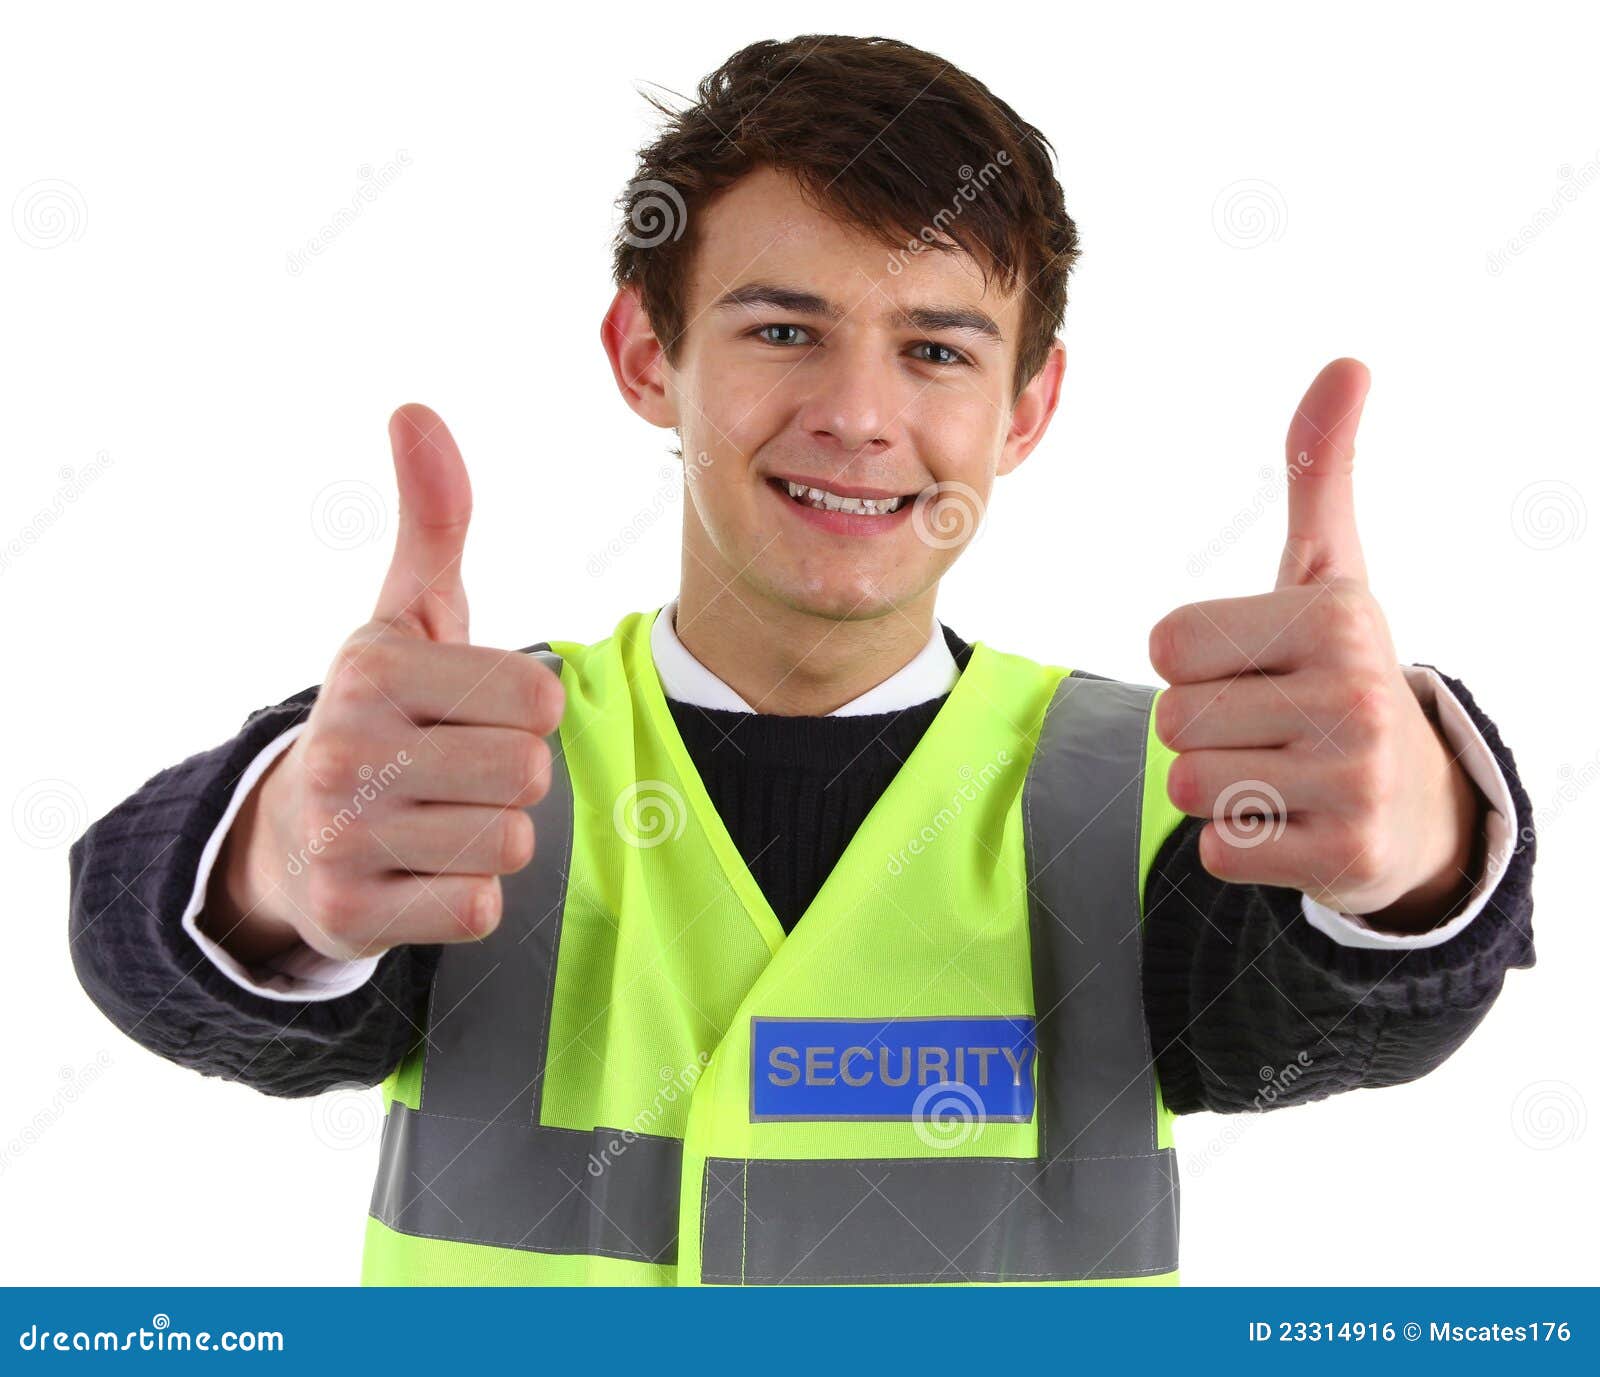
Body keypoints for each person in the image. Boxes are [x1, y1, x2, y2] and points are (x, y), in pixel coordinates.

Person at [68, 34, 1535, 1286]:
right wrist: (267, 870)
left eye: (940, 351)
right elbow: (151, 943)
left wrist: (1417, 863)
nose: (856, 414)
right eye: (784, 327)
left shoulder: (1155, 793)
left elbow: (1329, 1016)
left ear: (1029, 411)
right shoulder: (463, 756)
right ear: (649, 355)